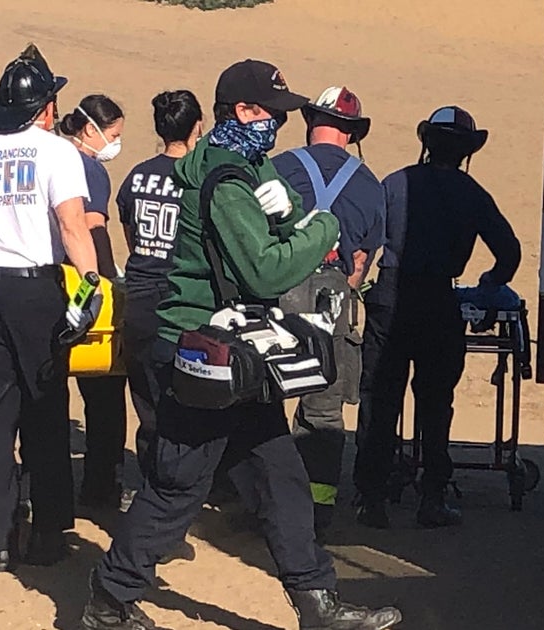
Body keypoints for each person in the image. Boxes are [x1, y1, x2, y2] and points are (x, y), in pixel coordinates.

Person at [82, 59, 402, 630]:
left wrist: (291, 217)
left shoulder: (245, 169)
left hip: (233, 351)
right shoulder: (228, 181)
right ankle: (109, 598)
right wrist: (323, 229)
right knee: (178, 486)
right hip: (203, 353)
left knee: (282, 479)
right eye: (272, 112)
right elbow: (264, 272)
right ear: (244, 111)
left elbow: (275, 233)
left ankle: (317, 602)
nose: (277, 123)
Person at [0, 44, 100, 572]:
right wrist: (91, 283)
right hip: (33, 286)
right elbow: (71, 225)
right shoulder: (57, 152)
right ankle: (48, 534)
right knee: (44, 409)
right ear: (47, 109)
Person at [353, 105, 521, 530]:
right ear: (466, 151)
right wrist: (488, 283)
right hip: (438, 302)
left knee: (380, 398)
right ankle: (432, 498)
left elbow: (366, 241)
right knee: (434, 403)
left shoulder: (393, 184)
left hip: (390, 296)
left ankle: (371, 498)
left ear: (426, 143)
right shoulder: (472, 193)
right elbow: (510, 251)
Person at [272, 86, 384, 535]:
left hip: (280, 290)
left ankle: (267, 503)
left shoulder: (278, 167)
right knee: (323, 413)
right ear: (351, 133)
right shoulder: (370, 183)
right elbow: (361, 263)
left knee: (263, 399)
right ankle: (318, 511)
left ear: (309, 122)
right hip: (334, 297)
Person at [114, 89, 203, 495]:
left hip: (141, 296)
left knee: (147, 404)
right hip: (181, 302)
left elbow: (132, 236)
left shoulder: (137, 175)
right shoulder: (199, 178)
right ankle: (173, 494)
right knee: (185, 407)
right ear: (198, 127)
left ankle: (149, 488)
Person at [60, 94, 130, 509]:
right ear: (91, 130)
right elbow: (93, 230)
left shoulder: (49, 154)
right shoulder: (89, 170)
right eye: (115, 135)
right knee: (105, 396)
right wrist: (108, 282)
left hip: (43, 282)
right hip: (83, 285)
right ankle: (101, 486)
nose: (115, 144)